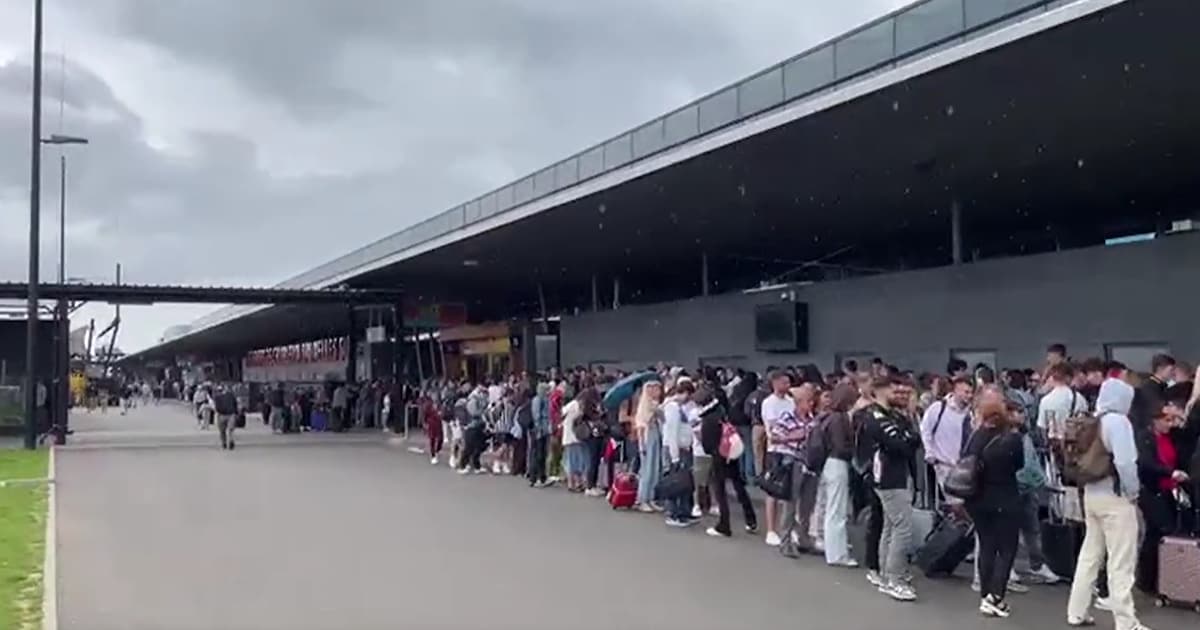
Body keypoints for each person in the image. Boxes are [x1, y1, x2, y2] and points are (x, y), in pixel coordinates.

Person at [1066, 378, 1146, 630]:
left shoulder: (1091, 420)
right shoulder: (1119, 422)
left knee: (1090, 555)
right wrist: (1133, 492)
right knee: (1121, 561)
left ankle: (1076, 611)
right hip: (1115, 497)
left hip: (1091, 494)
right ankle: (1126, 622)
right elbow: (1125, 463)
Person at [861, 376, 922, 602]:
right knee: (902, 528)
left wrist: (909, 433)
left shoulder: (894, 415)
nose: (900, 395)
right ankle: (894, 578)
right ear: (880, 390)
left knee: (891, 526)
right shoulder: (876, 416)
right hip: (888, 477)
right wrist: (909, 436)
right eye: (894, 391)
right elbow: (901, 444)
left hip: (897, 476)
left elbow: (910, 439)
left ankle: (888, 575)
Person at [963, 399, 1024, 618]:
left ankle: (985, 594)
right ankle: (996, 596)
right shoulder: (1012, 439)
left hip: (977, 499)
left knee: (987, 546)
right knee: (1007, 549)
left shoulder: (975, 437)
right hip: (1004, 497)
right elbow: (1019, 465)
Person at [1134, 393, 1192, 594]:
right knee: (1157, 530)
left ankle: (1157, 577)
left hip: (1170, 489)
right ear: (1154, 420)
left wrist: (1180, 416)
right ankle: (1148, 578)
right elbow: (1147, 463)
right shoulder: (1145, 438)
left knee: (1158, 532)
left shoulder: (1170, 436)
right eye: (1166, 420)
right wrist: (1170, 472)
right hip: (1153, 489)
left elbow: (1187, 432)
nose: (1170, 424)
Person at [696, 394, 757, 538]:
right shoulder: (722, 412)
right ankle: (751, 519)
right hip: (731, 452)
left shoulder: (707, 420)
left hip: (718, 456)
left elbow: (706, 446)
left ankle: (724, 525)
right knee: (738, 486)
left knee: (720, 490)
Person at [818, 382, 859, 567]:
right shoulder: (840, 419)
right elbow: (841, 446)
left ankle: (834, 549)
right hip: (838, 463)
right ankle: (837, 554)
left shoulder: (828, 417)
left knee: (831, 509)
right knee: (837, 510)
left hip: (828, 463)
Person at [921, 376, 974, 496]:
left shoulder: (971, 413)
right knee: (952, 502)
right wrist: (929, 452)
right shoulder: (938, 408)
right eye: (966, 392)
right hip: (943, 464)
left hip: (963, 467)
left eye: (971, 392)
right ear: (955, 391)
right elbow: (926, 430)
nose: (969, 396)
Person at [760, 370, 795, 546]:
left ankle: (787, 528)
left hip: (792, 450)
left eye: (788, 382)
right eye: (784, 382)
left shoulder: (791, 402)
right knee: (772, 490)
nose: (787, 386)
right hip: (775, 450)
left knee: (788, 491)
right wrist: (791, 433)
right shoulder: (768, 403)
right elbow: (774, 427)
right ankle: (771, 529)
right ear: (774, 383)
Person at [662, 378, 697, 527]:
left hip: (683, 447)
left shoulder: (678, 407)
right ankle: (673, 513)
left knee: (684, 482)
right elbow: (673, 432)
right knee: (675, 482)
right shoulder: (673, 408)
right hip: (675, 449)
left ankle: (684, 512)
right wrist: (675, 456)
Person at [634, 377, 665, 512]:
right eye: (652, 388)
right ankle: (642, 499)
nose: (656, 391)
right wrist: (642, 446)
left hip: (655, 435)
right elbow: (640, 426)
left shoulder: (655, 404)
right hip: (647, 436)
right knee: (646, 469)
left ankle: (651, 498)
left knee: (655, 468)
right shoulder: (644, 406)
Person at [560, 390, 587, 492]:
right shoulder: (573, 405)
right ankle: (572, 483)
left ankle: (577, 482)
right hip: (571, 436)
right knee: (573, 461)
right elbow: (562, 412)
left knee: (576, 460)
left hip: (575, 436)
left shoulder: (579, 406)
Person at [527, 382, 552, 488]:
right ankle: (536, 477)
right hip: (539, 430)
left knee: (541, 454)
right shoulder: (538, 400)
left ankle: (541, 477)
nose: (549, 392)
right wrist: (539, 430)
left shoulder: (543, 399)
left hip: (543, 429)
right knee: (538, 454)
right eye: (547, 390)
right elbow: (537, 416)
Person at [213, 385, 238, 451]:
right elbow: (235, 404)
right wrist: (236, 412)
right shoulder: (230, 395)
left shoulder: (218, 397)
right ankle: (228, 442)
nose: (219, 392)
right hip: (229, 414)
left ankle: (227, 443)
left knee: (225, 430)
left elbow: (217, 407)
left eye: (219, 390)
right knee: (228, 430)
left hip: (223, 415)